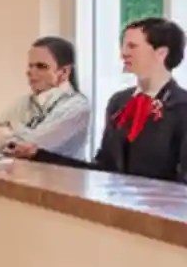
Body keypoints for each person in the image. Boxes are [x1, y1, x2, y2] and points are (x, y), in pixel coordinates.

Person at [21, 18, 187, 181]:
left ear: (161, 53)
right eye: (123, 45)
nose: (123, 53)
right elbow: (104, 169)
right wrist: (39, 155)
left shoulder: (182, 107)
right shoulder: (119, 102)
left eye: (132, 46)